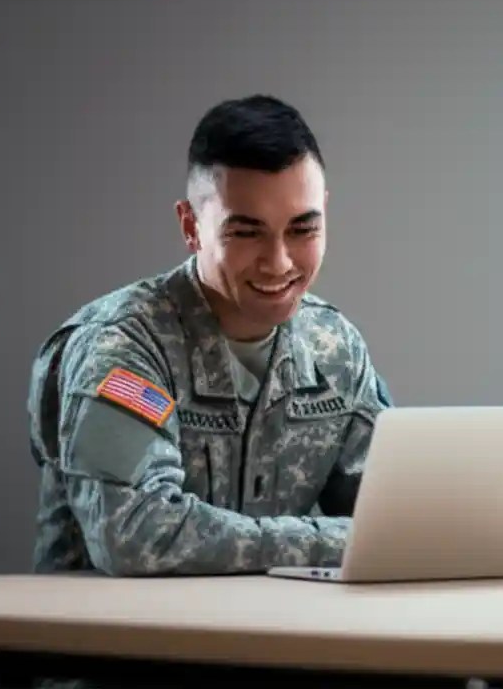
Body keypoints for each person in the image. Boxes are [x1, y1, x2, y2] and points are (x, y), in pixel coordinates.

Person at [27, 95, 392, 577]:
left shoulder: (336, 347)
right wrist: (333, 540)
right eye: (247, 233)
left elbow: (393, 516)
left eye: (302, 229)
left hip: (268, 644)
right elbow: (137, 535)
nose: (279, 262)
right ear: (191, 225)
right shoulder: (123, 346)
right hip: (114, 645)